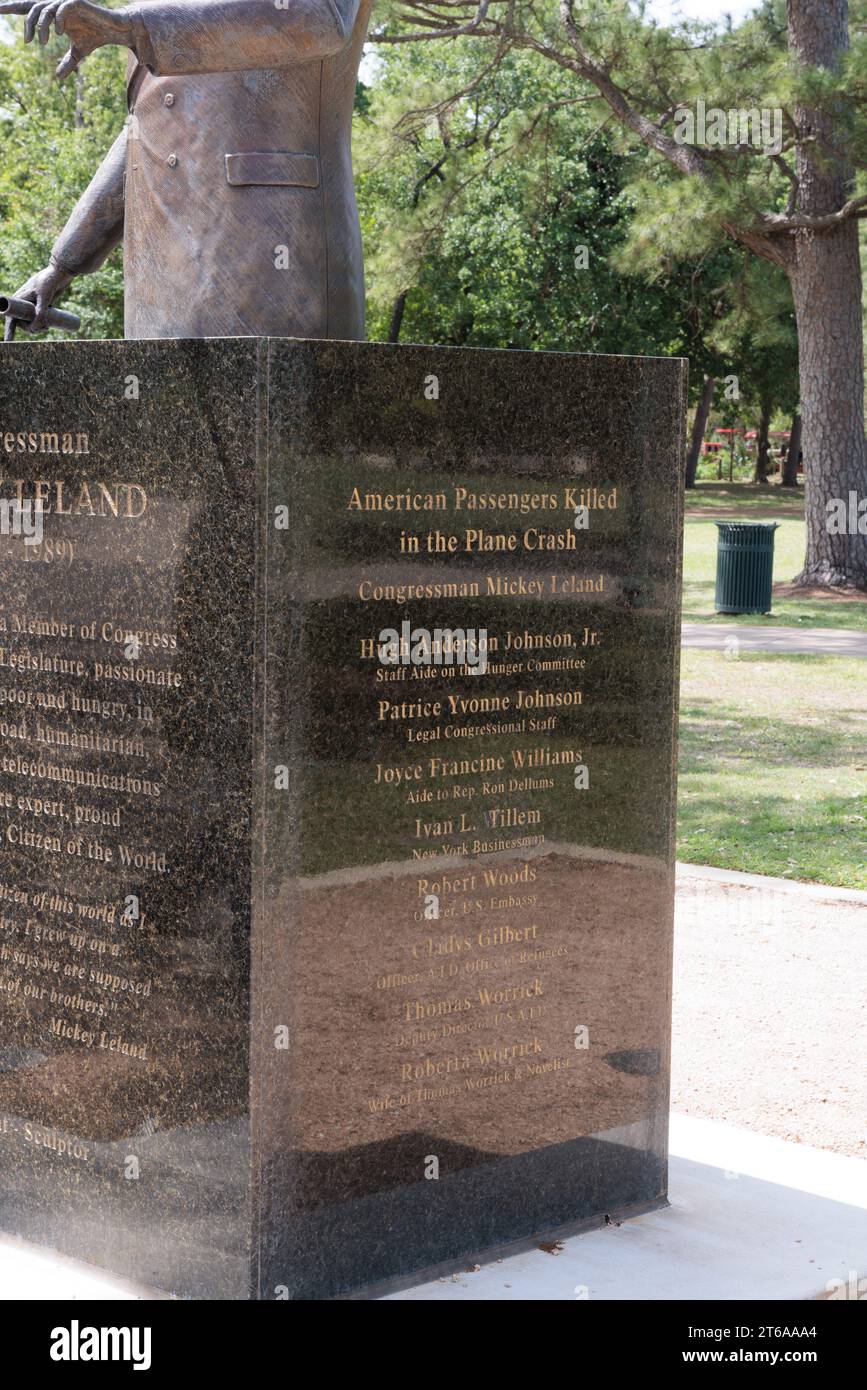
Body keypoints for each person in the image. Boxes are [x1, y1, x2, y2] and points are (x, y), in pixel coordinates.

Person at [0, 0, 373, 338]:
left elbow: (321, 16)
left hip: (268, 259)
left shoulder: (143, 20)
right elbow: (147, 131)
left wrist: (132, 27)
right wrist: (63, 263)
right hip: (157, 282)